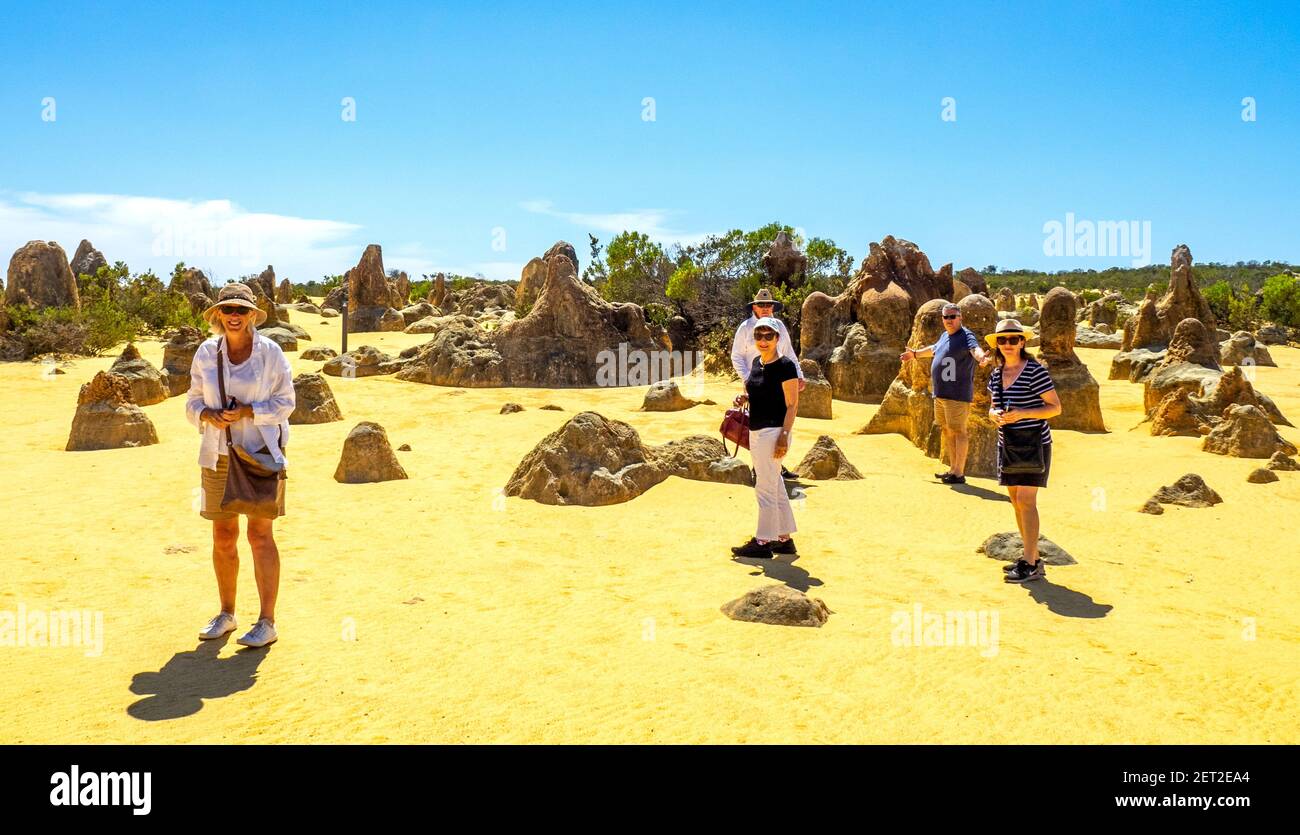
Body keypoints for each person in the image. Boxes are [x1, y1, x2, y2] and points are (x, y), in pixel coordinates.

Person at [185, 283, 296, 646]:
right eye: (228, 310)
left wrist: (250, 411)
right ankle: (227, 613)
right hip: (216, 454)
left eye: (241, 310)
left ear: (252, 315)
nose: (234, 316)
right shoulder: (205, 352)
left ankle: (267, 621)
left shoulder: (270, 353)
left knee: (260, 536)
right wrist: (207, 414)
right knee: (222, 535)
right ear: (218, 314)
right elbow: (191, 402)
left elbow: (287, 403)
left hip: (259, 454)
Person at [985, 319, 1061, 584]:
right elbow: (993, 405)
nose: (1008, 344)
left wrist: (1023, 414)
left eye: (1013, 339)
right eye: (1003, 340)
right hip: (1007, 443)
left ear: (1022, 342)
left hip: (1033, 443)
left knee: (1027, 502)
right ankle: (1031, 558)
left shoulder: (1034, 371)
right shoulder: (996, 373)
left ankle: (1030, 562)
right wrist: (994, 414)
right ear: (997, 344)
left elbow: (1054, 407)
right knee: (1016, 501)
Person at [730, 318, 800, 559]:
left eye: (768, 336)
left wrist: (784, 435)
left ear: (777, 338)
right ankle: (784, 539)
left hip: (774, 432)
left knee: (764, 487)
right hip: (758, 431)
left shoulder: (786, 366)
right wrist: (743, 399)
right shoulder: (757, 364)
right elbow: (758, 392)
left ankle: (762, 541)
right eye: (759, 335)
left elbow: (792, 405)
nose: (762, 340)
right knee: (775, 484)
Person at [900, 303, 991, 484]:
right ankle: (952, 469)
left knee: (959, 431)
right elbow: (934, 349)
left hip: (957, 395)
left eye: (952, 316)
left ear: (960, 317)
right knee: (947, 430)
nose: (949, 320)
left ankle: (959, 473)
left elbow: (975, 349)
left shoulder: (966, 335)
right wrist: (915, 354)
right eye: (946, 317)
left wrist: (981, 358)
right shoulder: (944, 336)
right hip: (941, 394)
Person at [731, 288, 805, 480]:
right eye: (761, 305)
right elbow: (736, 356)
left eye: (768, 305)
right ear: (754, 307)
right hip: (755, 383)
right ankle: (760, 466)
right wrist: (748, 379)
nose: (765, 308)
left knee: (782, 420)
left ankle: (775, 466)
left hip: (780, 382)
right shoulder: (745, 328)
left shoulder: (778, 326)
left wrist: (799, 375)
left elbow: (788, 352)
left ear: (772, 307)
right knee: (757, 425)